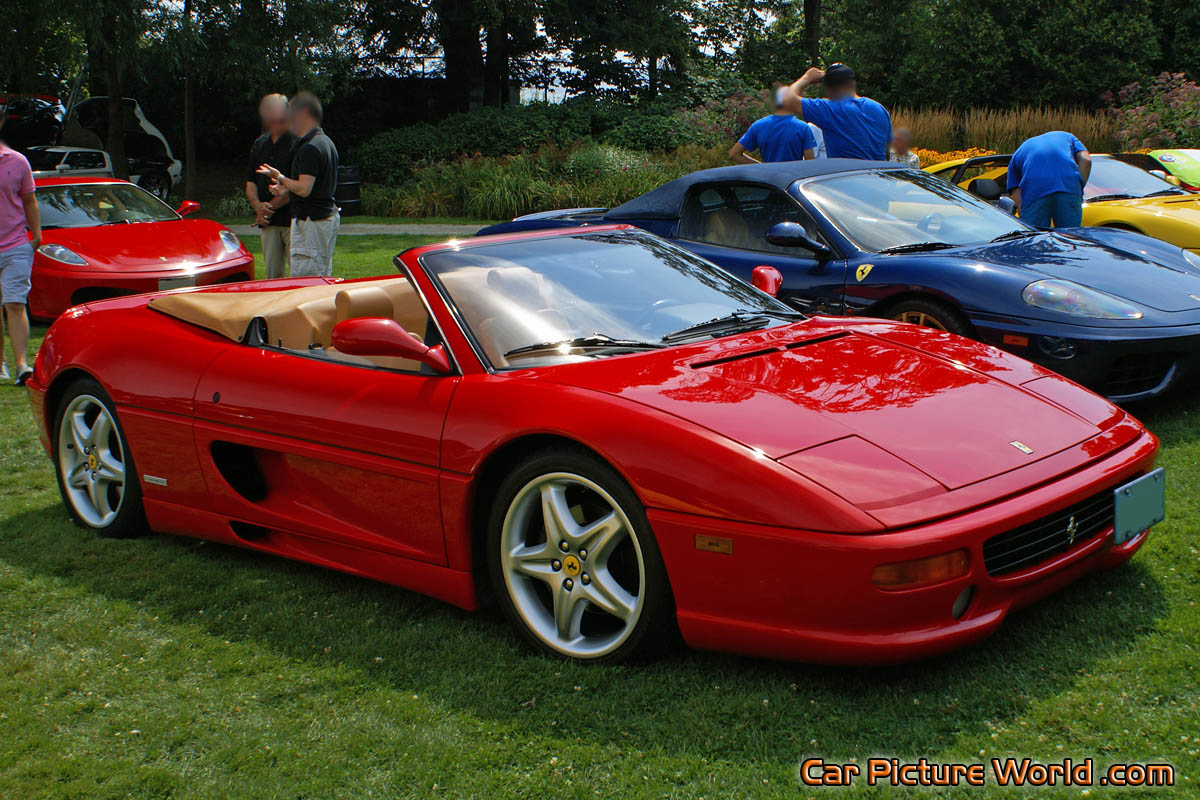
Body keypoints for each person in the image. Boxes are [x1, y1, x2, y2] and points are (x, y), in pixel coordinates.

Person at [257, 92, 339, 277]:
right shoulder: (325, 142)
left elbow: (304, 189)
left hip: (311, 222)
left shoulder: (310, 148)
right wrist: (285, 188)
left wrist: (279, 178)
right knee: (322, 276)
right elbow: (314, 185)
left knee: (307, 280)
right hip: (325, 218)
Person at [0, 105, 40, 385]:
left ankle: (22, 365)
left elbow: (29, 200)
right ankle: (0, 365)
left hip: (15, 245)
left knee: (14, 303)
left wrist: (36, 235)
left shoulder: (17, 161)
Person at [783, 63, 892, 161]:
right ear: (852, 83)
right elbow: (887, 154)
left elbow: (786, 99)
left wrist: (807, 78)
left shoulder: (830, 109)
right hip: (879, 179)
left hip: (845, 181)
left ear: (828, 87)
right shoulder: (880, 109)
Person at [244, 94, 294, 278]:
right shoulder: (260, 143)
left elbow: (295, 186)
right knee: (273, 277)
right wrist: (258, 207)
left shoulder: (297, 142)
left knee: (300, 276)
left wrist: (267, 209)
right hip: (268, 223)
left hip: (293, 220)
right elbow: (251, 181)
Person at [1006, 131, 1091, 228]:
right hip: (1068, 187)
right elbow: (1086, 160)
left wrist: (1023, 209)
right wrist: (1077, 188)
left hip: (1034, 191)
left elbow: (1015, 190)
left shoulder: (1018, 152)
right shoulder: (1068, 137)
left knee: (1035, 238)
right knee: (1069, 237)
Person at [729, 87, 817, 164]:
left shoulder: (758, 126)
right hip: (793, 178)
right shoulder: (802, 128)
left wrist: (762, 167)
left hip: (769, 180)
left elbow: (734, 154)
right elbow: (810, 163)